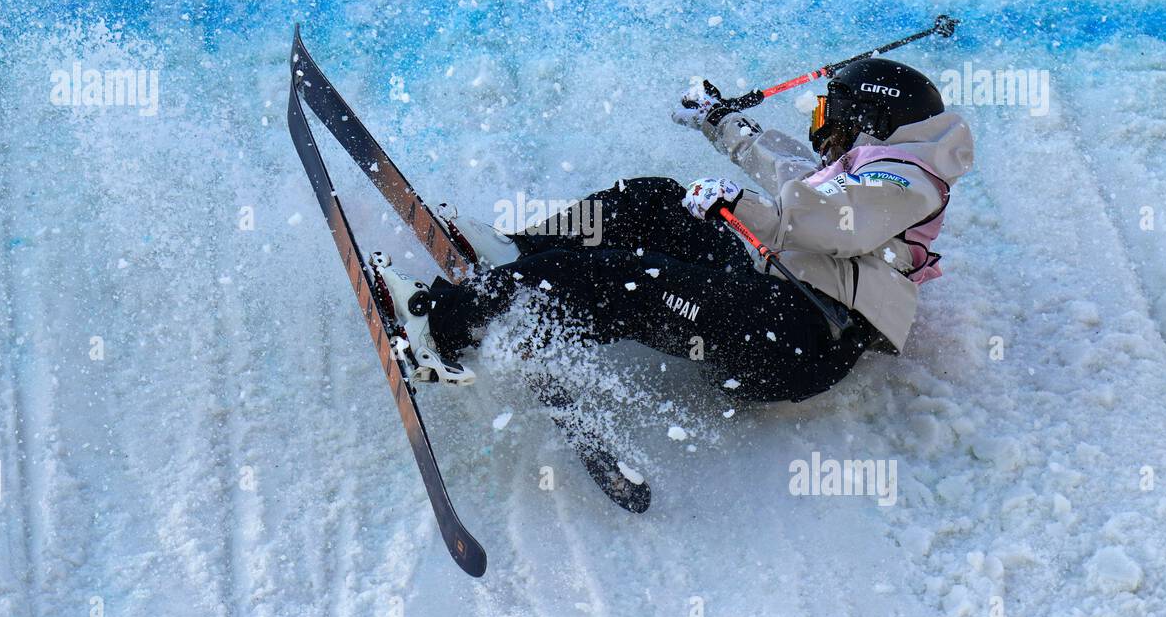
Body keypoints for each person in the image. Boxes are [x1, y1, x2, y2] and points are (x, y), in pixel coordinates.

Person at [372, 58, 974, 402]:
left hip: (798, 335)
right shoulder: (864, 172)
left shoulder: (910, 176)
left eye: (827, 112)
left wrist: (747, 206)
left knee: (620, 280)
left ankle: (442, 328)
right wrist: (722, 122)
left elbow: (834, 225)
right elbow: (793, 172)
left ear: (870, 112)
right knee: (657, 200)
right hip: (771, 298)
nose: (821, 126)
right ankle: (519, 255)